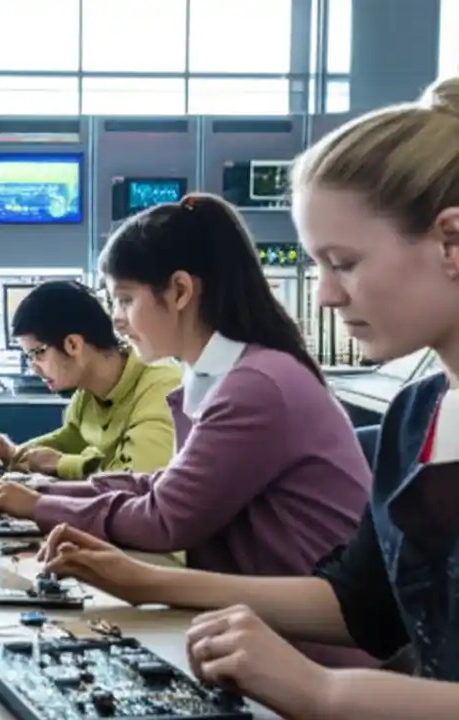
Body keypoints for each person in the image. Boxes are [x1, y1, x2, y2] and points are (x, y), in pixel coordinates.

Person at [32, 76, 459, 718]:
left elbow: (173, 516)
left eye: (343, 263)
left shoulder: (261, 384)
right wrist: (146, 581)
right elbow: (359, 604)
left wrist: (323, 693)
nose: (324, 296)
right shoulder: (416, 415)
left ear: (451, 241)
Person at [0, 193, 372, 661]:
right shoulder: (226, 378)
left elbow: (165, 518)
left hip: (311, 657)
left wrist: (42, 506)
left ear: (180, 291)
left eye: (125, 300)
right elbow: (160, 484)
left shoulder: (257, 385)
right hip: (260, 638)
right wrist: (39, 493)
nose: (117, 321)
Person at [0, 280, 181, 479]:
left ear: (73, 344)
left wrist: (60, 463)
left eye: (38, 353)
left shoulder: (161, 387)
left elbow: (136, 482)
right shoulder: (87, 390)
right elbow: (72, 438)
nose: (34, 368)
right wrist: (14, 454)